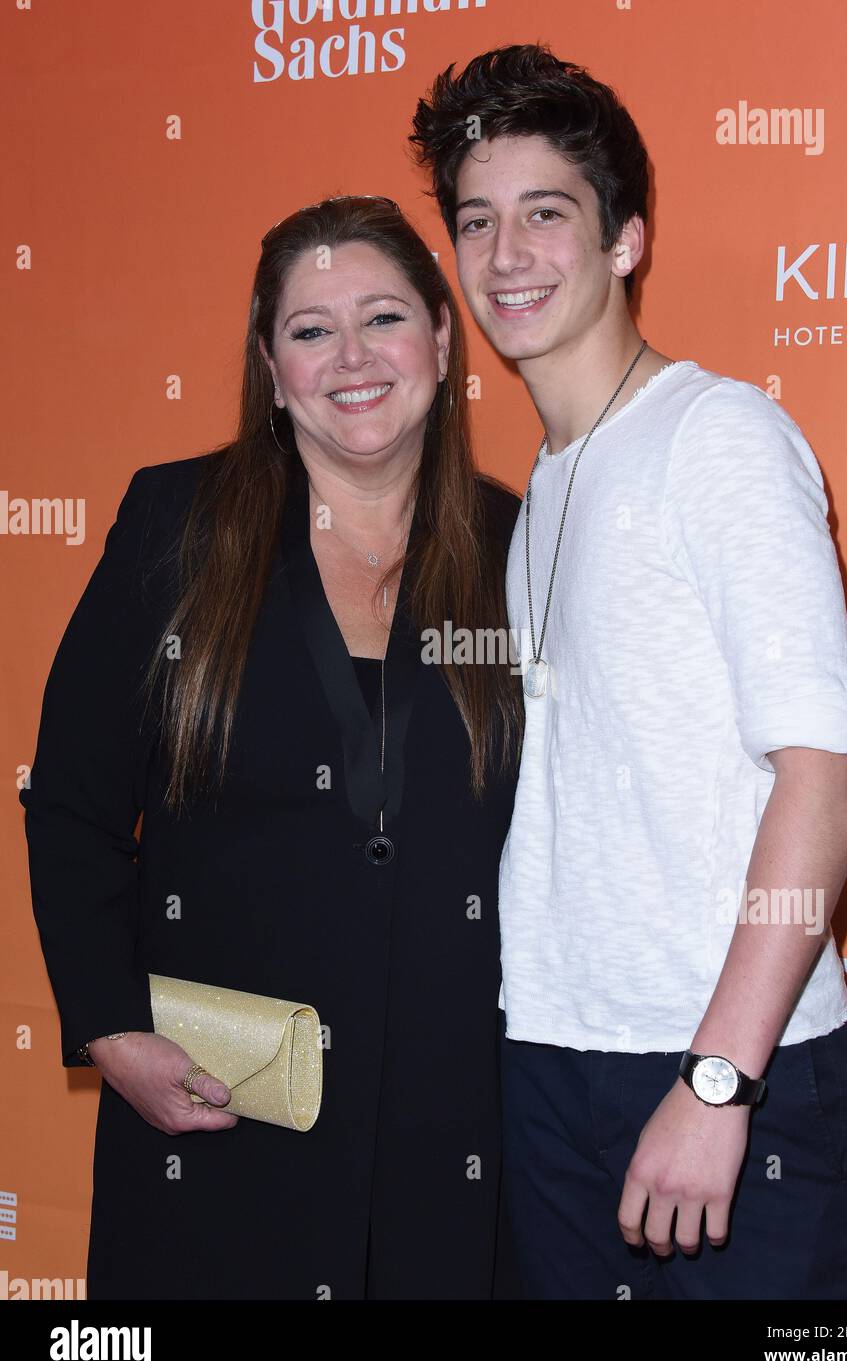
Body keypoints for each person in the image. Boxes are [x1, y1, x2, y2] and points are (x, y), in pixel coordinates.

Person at [410, 45, 847, 1300]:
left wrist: (718, 1078)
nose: (506, 255)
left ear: (624, 239)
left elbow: (828, 782)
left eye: (545, 213)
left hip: (730, 1072)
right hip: (555, 1064)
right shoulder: (543, 491)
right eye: (476, 220)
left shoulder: (716, 437)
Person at [20, 195, 525, 1300]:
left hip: (452, 1118)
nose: (351, 357)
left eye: (384, 317)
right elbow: (71, 803)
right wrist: (111, 1028)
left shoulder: (515, 546)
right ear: (269, 358)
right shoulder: (176, 524)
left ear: (442, 339)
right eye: (310, 329)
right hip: (222, 1103)